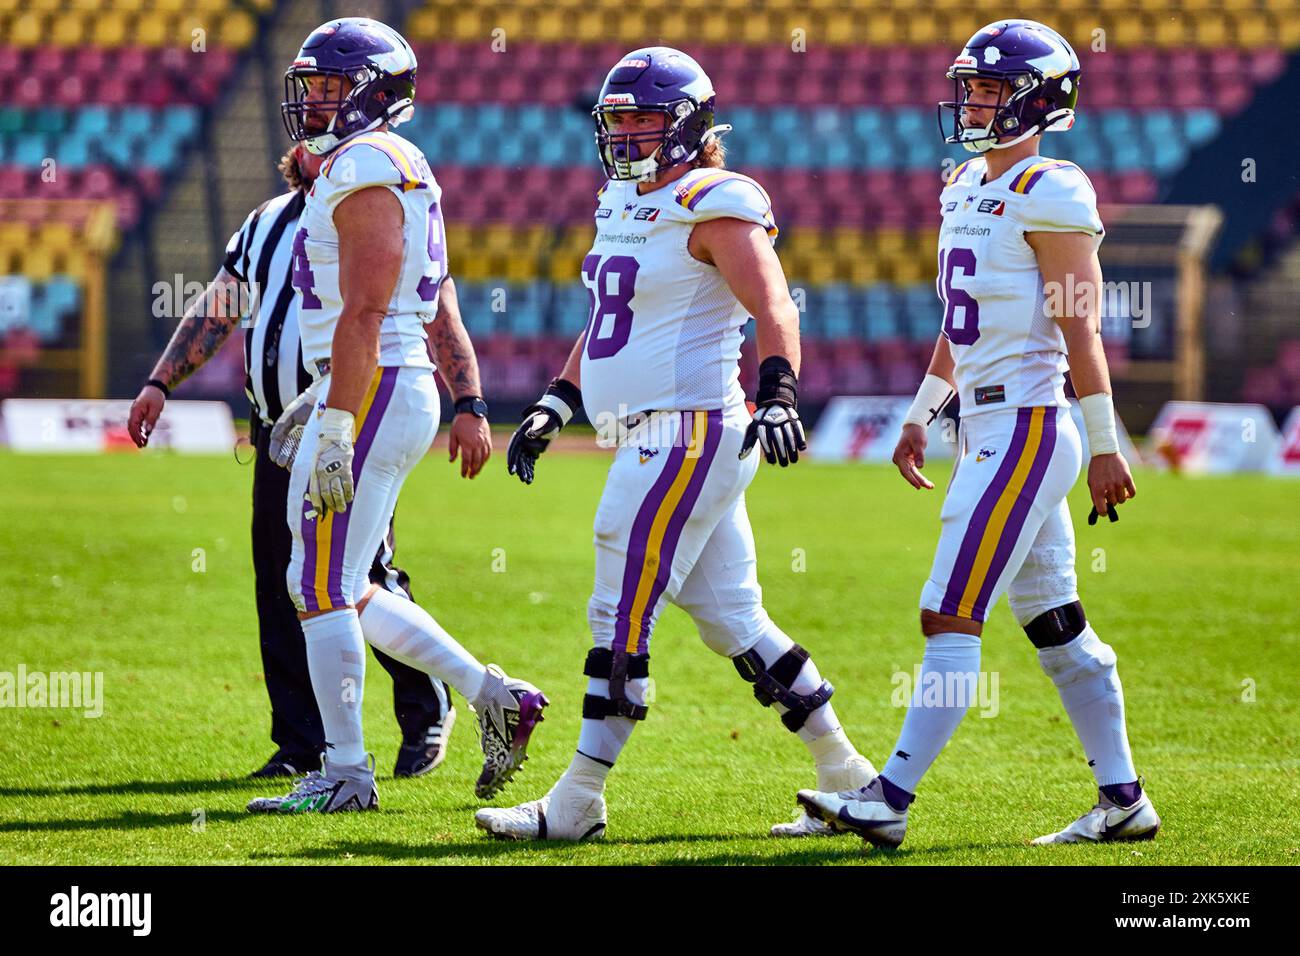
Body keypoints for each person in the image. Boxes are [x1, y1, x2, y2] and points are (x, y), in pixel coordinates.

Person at [475, 47, 875, 841]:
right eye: (615, 121)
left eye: (643, 120)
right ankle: (849, 775)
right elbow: (609, 325)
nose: (625, 137)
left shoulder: (715, 199)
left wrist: (781, 392)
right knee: (735, 619)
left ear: (690, 126)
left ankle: (579, 799)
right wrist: (559, 399)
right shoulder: (622, 204)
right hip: (651, 432)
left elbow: (773, 304)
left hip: (691, 430)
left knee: (618, 602)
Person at [798, 19, 1159, 847]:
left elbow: (1081, 324)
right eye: (974, 87)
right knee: (1057, 626)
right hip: (988, 423)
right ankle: (1125, 802)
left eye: (995, 88)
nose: (976, 101)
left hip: (1028, 428)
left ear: (1042, 100)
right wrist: (922, 413)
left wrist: (1106, 442)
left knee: (948, 615)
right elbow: (958, 326)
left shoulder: (1054, 187)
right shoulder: (965, 182)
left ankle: (888, 799)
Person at [247, 17, 547, 814]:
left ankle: (346, 771)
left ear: (373, 92)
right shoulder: (376, 161)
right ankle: (494, 696)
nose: (312, 100)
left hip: (378, 386)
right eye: (308, 85)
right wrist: (330, 395)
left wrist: (338, 419)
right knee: (344, 584)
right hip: (385, 383)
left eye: (328, 86)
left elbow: (368, 310)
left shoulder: (369, 163)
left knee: (313, 583)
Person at [127, 145, 464, 781]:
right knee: (285, 586)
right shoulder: (265, 222)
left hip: (350, 419)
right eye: (308, 139)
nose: (318, 150)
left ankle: (427, 707)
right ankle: (300, 748)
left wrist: (469, 397)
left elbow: (434, 310)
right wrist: (161, 380)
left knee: (359, 579)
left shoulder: (373, 209)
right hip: (278, 428)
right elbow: (219, 307)